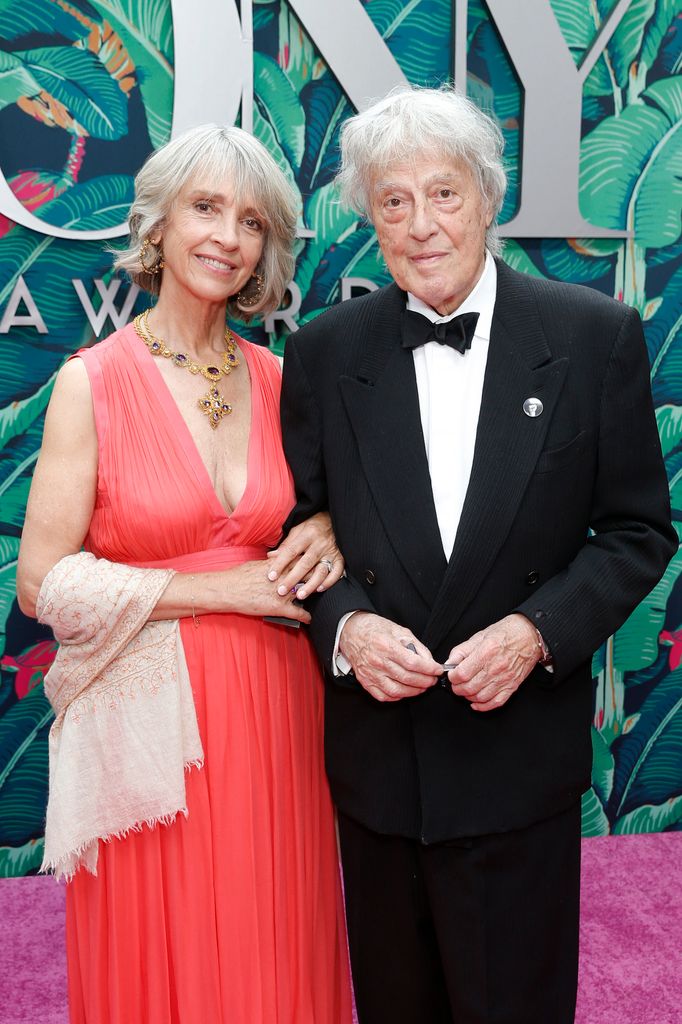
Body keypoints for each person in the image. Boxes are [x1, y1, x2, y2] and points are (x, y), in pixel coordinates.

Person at [280, 86, 676, 1024]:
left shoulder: (592, 337)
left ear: (490, 197)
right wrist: (348, 633)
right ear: (369, 217)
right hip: (382, 767)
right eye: (393, 201)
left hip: (516, 761)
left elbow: (637, 532)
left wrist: (538, 634)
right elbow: (300, 534)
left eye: (444, 193)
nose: (421, 225)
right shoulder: (326, 353)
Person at [17, 124, 353, 1024]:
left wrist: (324, 525)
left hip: (280, 713)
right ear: (158, 224)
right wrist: (220, 590)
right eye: (205, 207)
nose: (226, 237)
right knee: (161, 959)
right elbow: (41, 585)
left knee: (274, 942)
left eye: (250, 221)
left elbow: (335, 517)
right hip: (148, 728)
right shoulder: (91, 383)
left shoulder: (288, 382)